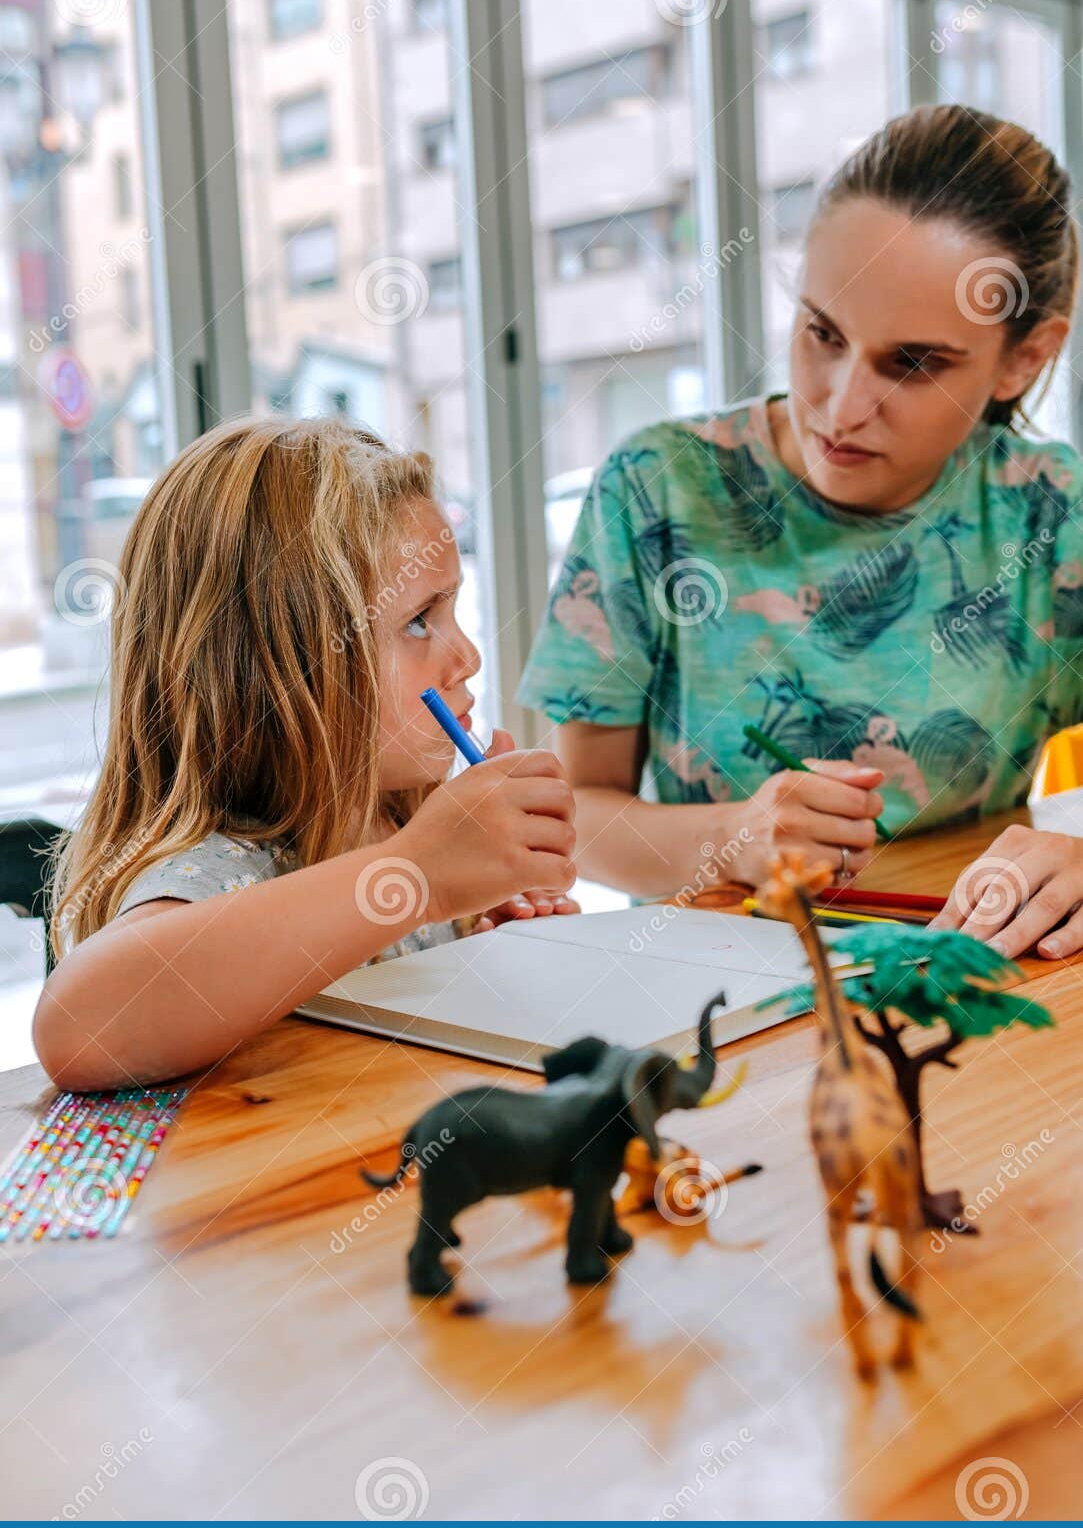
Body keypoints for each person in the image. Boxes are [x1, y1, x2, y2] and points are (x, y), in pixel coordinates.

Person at [518, 103, 1083, 957]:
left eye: (913, 363)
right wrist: (731, 841)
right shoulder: (658, 487)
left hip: (969, 981)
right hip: (704, 996)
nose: (842, 406)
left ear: (1024, 358)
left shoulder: (1051, 515)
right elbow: (577, 816)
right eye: (821, 331)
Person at [34, 417, 577, 1091]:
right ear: (278, 670)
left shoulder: (403, 822)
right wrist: (418, 877)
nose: (466, 655)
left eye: (453, 613)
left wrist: (490, 949)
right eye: (418, 622)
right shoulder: (228, 863)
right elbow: (80, 1030)